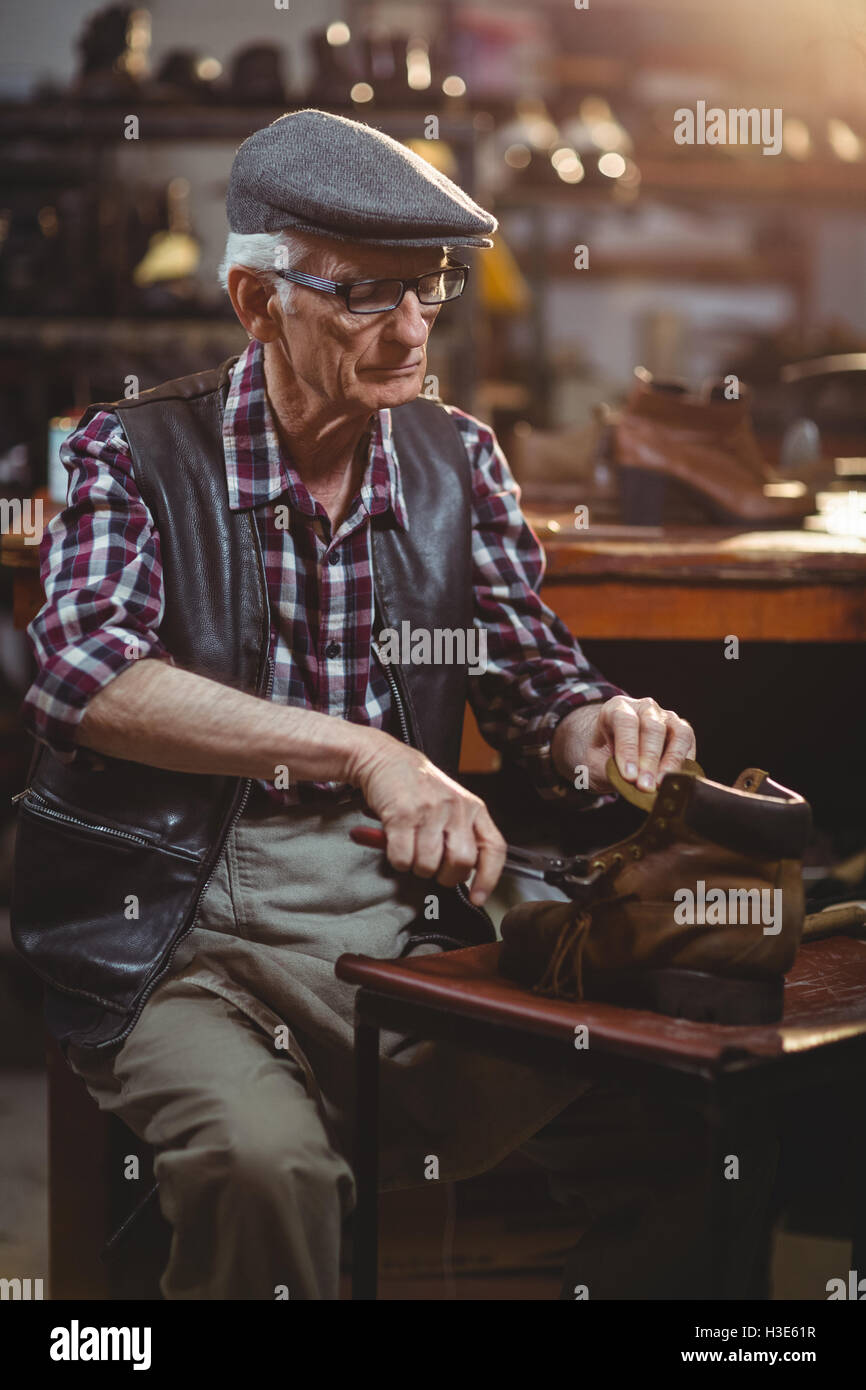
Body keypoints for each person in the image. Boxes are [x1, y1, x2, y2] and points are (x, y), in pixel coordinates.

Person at [17, 111, 768, 1302]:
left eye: (430, 289)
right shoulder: (126, 451)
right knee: (264, 1173)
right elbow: (84, 674)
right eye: (368, 295)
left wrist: (604, 729)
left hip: (401, 903)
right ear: (258, 303)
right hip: (177, 917)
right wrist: (368, 752)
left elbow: (532, 687)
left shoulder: (457, 460)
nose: (414, 331)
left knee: (700, 1073)